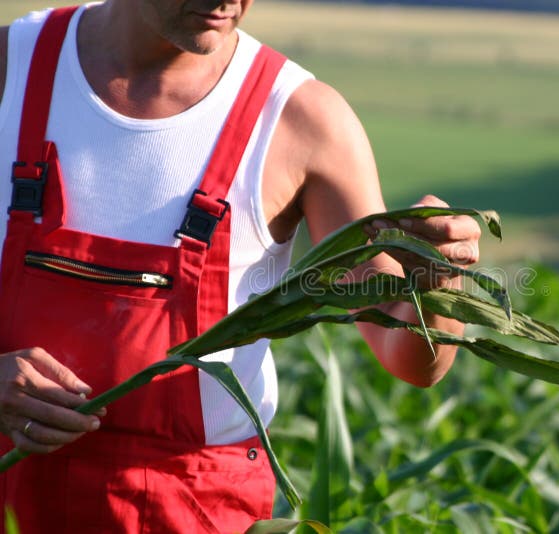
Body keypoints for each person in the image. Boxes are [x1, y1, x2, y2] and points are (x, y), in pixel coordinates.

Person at [0, 1, 481, 532]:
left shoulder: (300, 119)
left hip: (189, 510)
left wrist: (437, 280)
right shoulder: (13, 67)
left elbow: (411, 358)